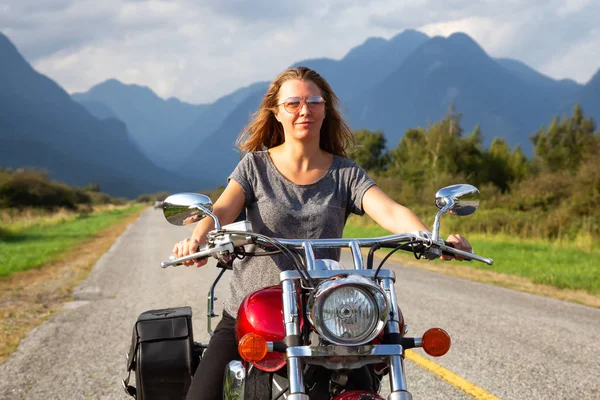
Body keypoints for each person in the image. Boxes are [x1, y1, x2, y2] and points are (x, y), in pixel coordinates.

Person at [173, 66, 472, 399]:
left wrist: (431, 237)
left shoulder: (345, 172)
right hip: (254, 307)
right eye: (293, 103)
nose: (305, 110)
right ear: (276, 112)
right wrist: (197, 239)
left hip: (324, 311)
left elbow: (389, 210)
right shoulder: (254, 167)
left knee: (371, 365)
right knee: (200, 396)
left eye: (313, 101)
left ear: (325, 109)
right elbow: (222, 210)